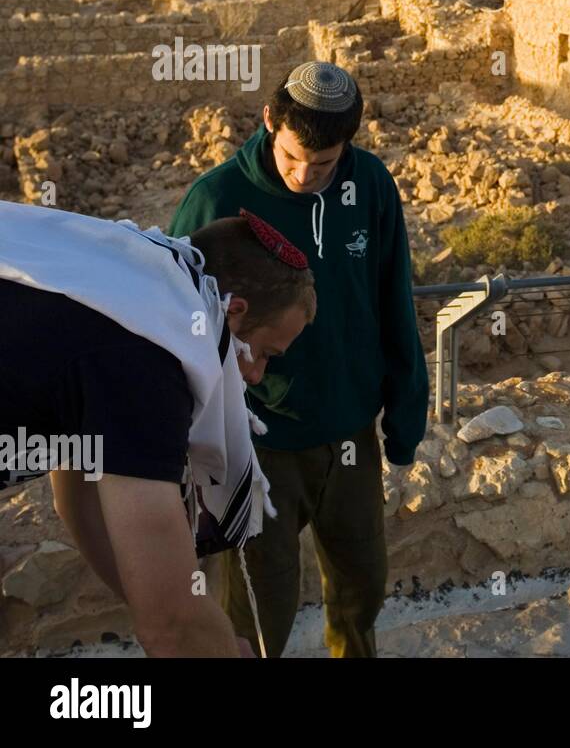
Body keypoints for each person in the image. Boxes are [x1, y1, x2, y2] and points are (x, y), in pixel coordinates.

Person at [169, 61, 429, 657]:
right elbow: (177, 324)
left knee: (362, 586)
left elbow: (394, 301)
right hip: (258, 445)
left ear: (349, 145)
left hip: (350, 432)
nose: (304, 175)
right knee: (261, 609)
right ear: (268, 121)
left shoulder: (371, 186)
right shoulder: (214, 199)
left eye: (323, 164)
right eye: (290, 158)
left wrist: (404, 420)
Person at [0, 203, 316, 656]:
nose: (256, 377)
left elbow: (79, 499)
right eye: (266, 353)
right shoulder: (150, 360)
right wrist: (197, 636)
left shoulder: (128, 297)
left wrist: (200, 631)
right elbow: (169, 627)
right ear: (234, 313)